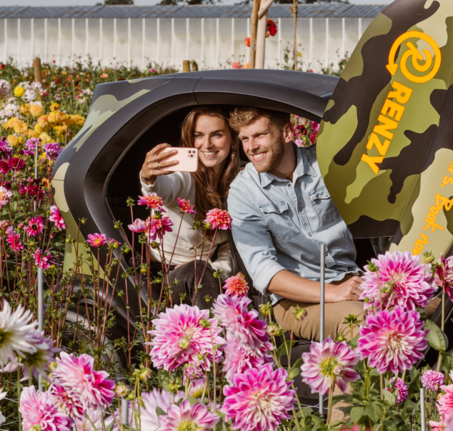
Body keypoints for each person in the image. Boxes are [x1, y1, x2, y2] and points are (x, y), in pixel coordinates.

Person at [226, 107, 363, 339]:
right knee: (364, 322)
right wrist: (334, 293)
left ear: (288, 133)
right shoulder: (244, 191)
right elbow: (264, 271)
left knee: (433, 306)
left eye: (260, 135)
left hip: (352, 279)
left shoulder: (325, 163)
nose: (251, 147)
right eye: (245, 139)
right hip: (295, 303)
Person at [139, 107, 238, 305]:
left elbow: (228, 246)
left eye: (217, 135)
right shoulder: (184, 176)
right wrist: (148, 178)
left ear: (233, 138)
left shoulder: (238, 181)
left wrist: (214, 270)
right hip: (163, 276)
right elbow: (163, 190)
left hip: (204, 274)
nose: (207, 145)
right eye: (198, 136)